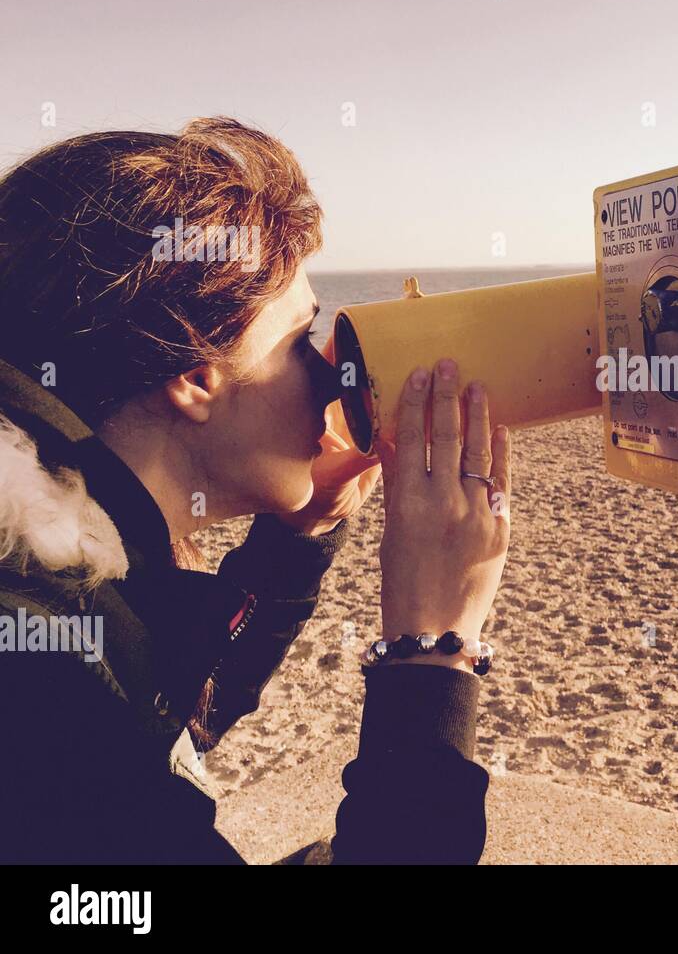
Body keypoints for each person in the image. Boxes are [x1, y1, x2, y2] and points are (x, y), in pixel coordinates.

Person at [0, 118, 509, 863]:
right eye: (301, 340)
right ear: (196, 374)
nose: (330, 374)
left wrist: (302, 533)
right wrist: (430, 646)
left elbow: (171, 719)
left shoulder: (55, 565)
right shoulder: (38, 683)